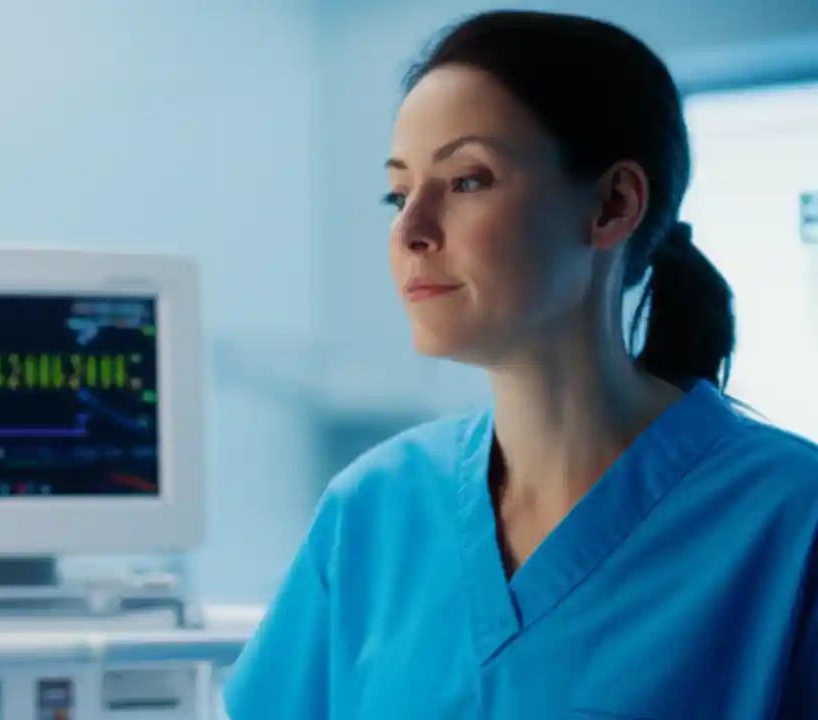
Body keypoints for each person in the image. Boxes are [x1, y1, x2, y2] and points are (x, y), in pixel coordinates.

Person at [222, 9, 818, 719]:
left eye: (467, 180)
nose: (410, 230)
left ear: (611, 204)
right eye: (397, 191)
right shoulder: (373, 509)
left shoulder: (791, 522)